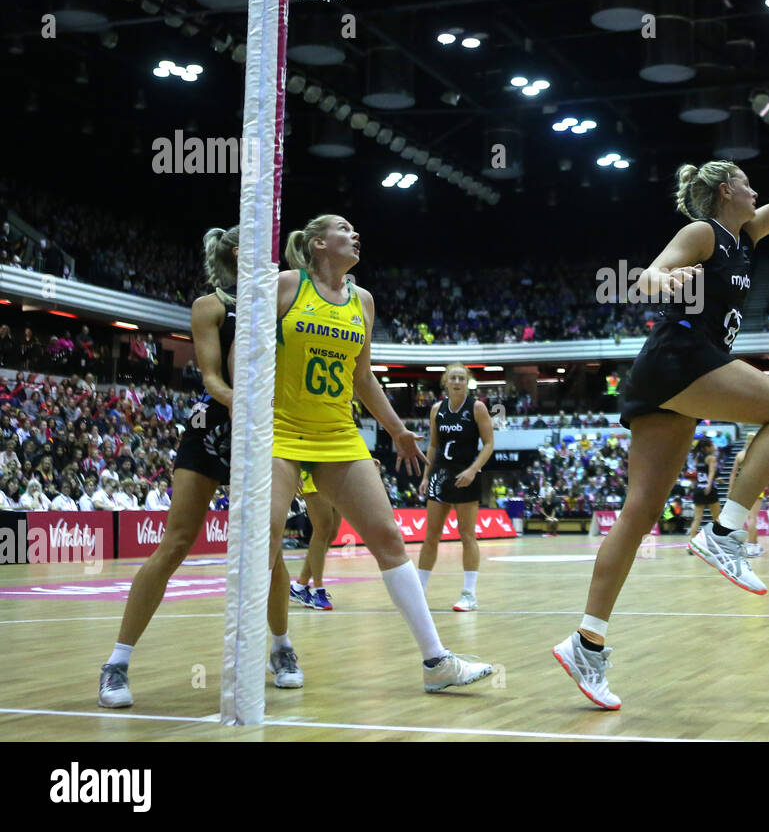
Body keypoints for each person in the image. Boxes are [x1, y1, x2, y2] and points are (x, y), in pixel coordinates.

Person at [553, 93, 769, 710]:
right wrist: (662, 281)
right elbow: (650, 276)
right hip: (681, 358)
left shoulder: (747, 235)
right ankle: (725, 532)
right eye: (745, 181)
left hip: (673, 378)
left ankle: (587, 642)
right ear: (722, 192)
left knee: (639, 513)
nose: (756, 189)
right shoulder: (703, 231)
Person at [270, 214, 491, 692]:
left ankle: (436, 663)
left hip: (337, 433)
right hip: (280, 431)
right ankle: (279, 645)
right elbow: (248, 354)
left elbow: (362, 376)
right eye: (344, 229)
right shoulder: (288, 286)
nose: (355, 234)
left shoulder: (362, 300)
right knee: (266, 542)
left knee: (389, 538)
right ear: (318, 243)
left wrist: (398, 431)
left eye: (355, 229)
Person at [98, 226, 267, 708]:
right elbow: (212, 377)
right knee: (175, 543)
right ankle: (116, 663)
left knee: (269, 550)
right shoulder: (208, 306)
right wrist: (240, 400)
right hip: (215, 426)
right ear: (239, 249)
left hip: (266, 429)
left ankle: (281, 649)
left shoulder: (280, 297)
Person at [415, 363, 495, 611]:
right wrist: (426, 476)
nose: (457, 381)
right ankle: (418, 592)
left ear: (467, 381)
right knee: (430, 537)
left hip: (465, 476)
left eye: (461, 377)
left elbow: (489, 444)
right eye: (453, 377)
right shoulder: (437, 410)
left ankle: (469, 594)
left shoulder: (477, 407)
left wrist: (473, 470)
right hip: (440, 475)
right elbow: (433, 446)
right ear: (445, 382)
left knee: (467, 536)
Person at [288, 468, 343, 611]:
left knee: (331, 533)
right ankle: (318, 590)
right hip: (312, 467)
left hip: (336, 470)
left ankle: (300, 586)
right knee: (322, 529)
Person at [683, 438, 720, 544]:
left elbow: (699, 474)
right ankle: (719, 541)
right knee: (717, 517)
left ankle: (691, 542)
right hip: (709, 489)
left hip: (698, 489)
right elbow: (711, 472)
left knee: (697, 518)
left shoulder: (697, 458)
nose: (714, 448)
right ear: (707, 448)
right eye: (712, 446)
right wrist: (709, 484)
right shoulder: (711, 458)